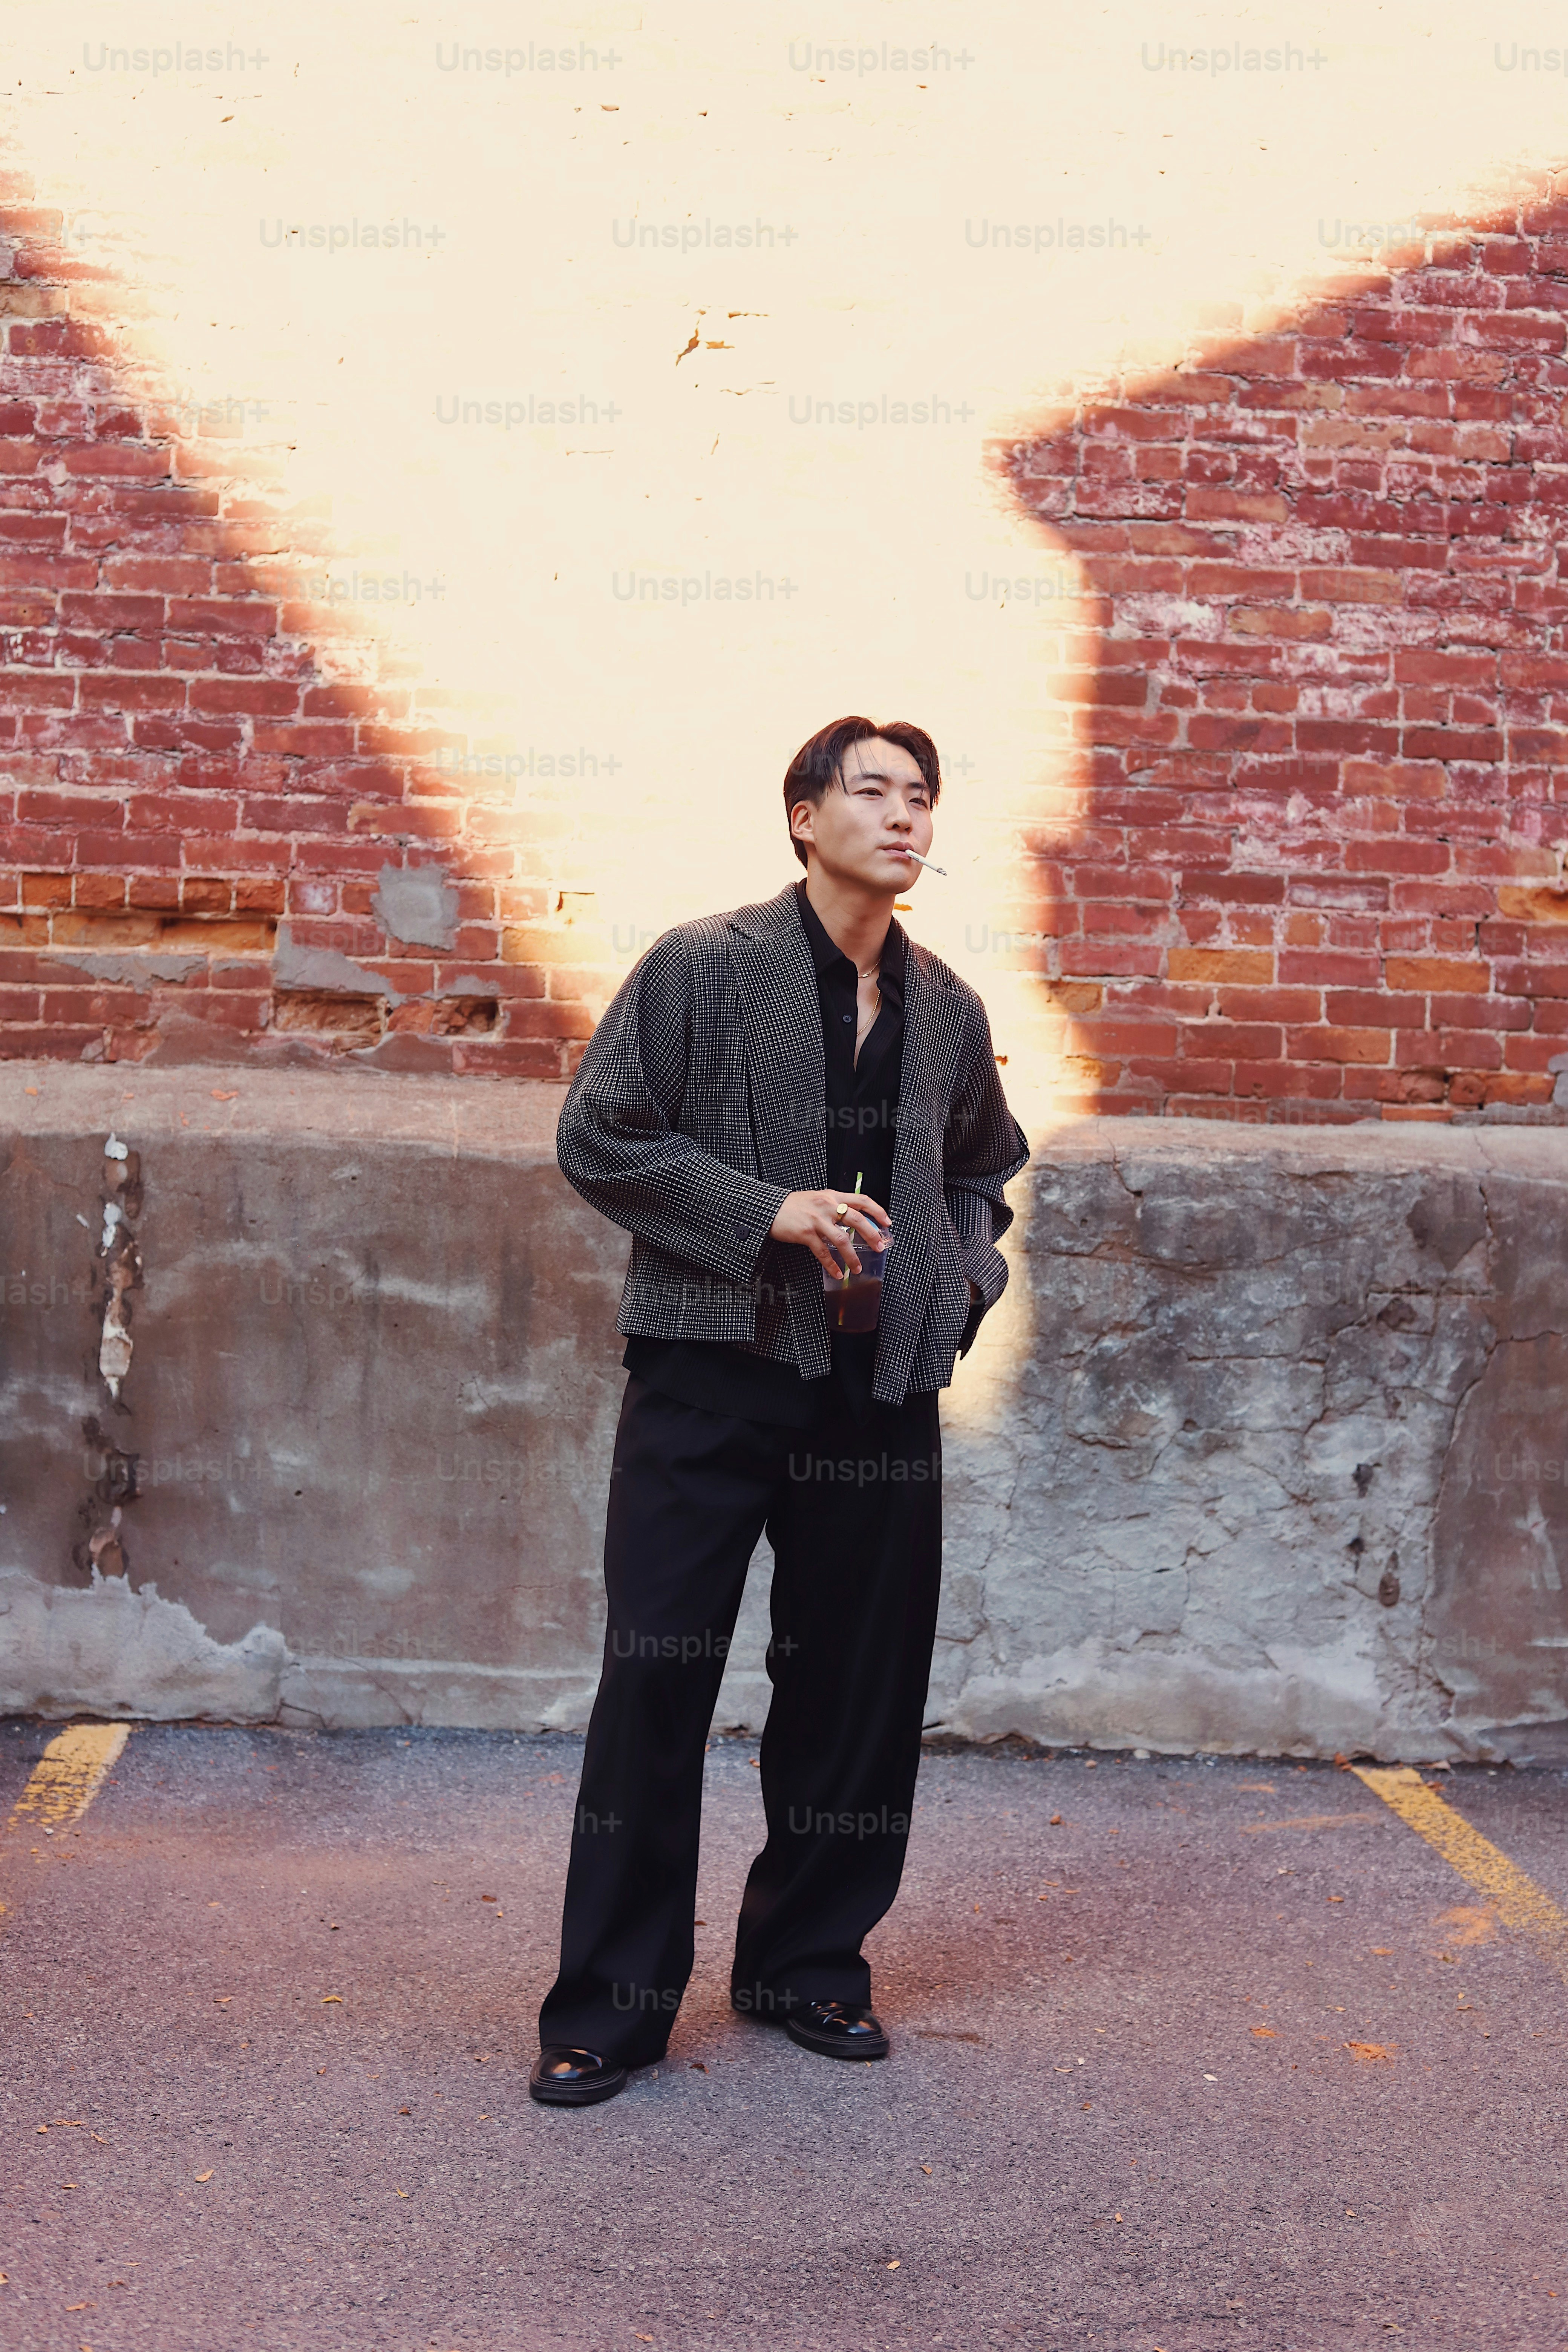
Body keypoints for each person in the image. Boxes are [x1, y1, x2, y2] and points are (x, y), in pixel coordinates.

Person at [530, 715, 1031, 2105]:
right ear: (806, 817)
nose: (905, 816)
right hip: (711, 1373)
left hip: (879, 1395)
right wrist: (767, 1213)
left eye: (922, 796)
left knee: (858, 1694)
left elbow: (985, 1167)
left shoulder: (949, 1008)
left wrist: (959, 1280)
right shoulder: (703, 965)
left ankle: (808, 1964)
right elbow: (599, 1133)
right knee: (657, 1682)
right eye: (873, 791)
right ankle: (610, 2008)